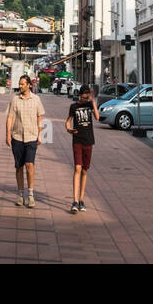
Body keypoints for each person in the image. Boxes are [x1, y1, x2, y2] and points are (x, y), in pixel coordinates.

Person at [5, 74, 44, 208]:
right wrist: (8, 135)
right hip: (17, 137)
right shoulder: (15, 100)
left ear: (29, 85)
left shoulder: (36, 99)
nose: (20, 86)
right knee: (19, 166)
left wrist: (40, 134)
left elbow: (40, 117)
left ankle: (31, 194)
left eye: (22, 84)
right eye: (19, 84)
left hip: (32, 137)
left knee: (29, 165)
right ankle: (21, 194)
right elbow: (10, 117)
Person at [67, 84, 99, 214]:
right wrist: (69, 129)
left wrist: (93, 102)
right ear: (80, 95)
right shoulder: (74, 106)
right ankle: (74, 201)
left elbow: (97, 117)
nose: (86, 99)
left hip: (89, 141)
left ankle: (81, 200)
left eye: (88, 96)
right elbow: (67, 122)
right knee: (78, 168)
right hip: (77, 140)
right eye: (84, 96)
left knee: (85, 170)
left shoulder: (90, 104)